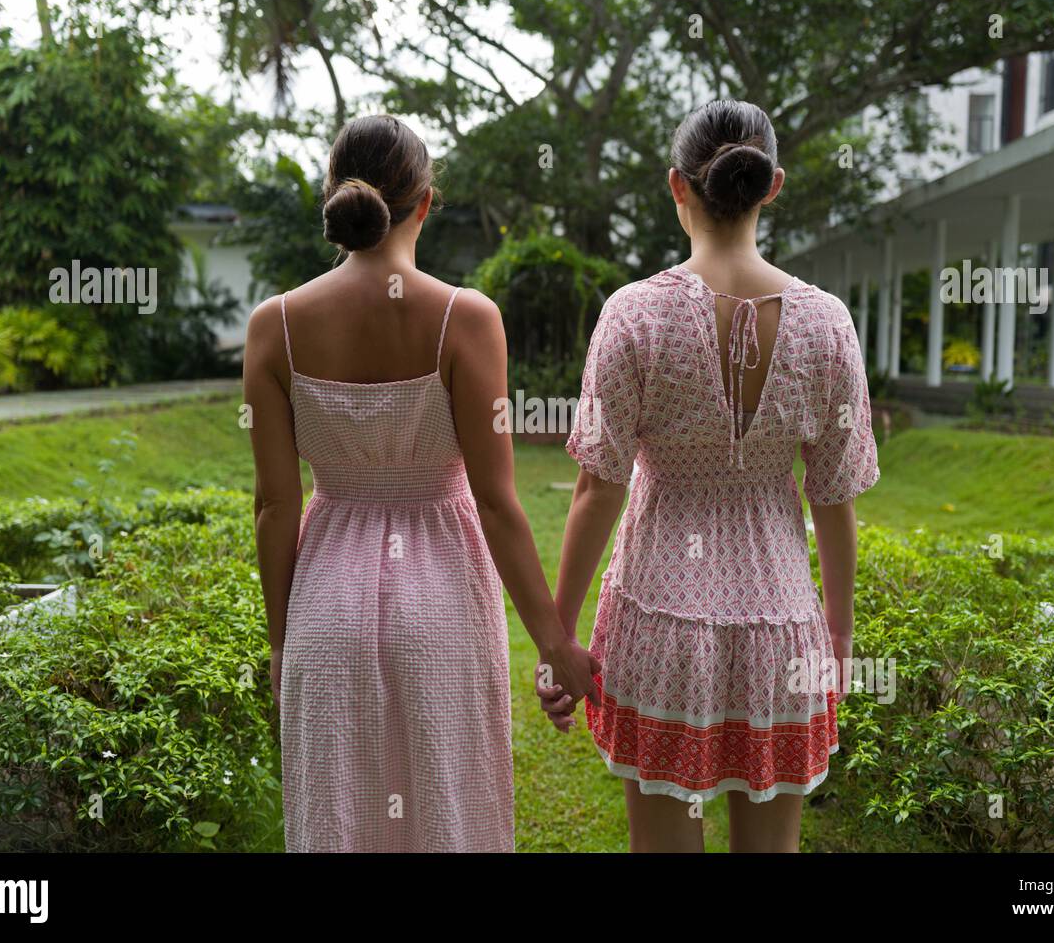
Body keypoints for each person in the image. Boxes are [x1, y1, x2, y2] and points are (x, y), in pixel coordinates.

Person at [245, 114, 598, 852]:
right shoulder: (466, 318)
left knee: (338, 818)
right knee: (449, 814)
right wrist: (555, 643)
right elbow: (499, 504)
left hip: (324, 610)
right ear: (427, 204)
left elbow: (275, 506)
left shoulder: (272, 325)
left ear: (335, 197)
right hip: (442, 600)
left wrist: (282, 644)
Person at [539, 100, 880, 852]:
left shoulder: (634, 317)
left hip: (661, 620)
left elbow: (599, 486)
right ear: (772, 185)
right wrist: (840, 635)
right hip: (781, 630)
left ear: (676, 187)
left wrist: (558, 636)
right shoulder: (828, 323)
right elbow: (834, 496)